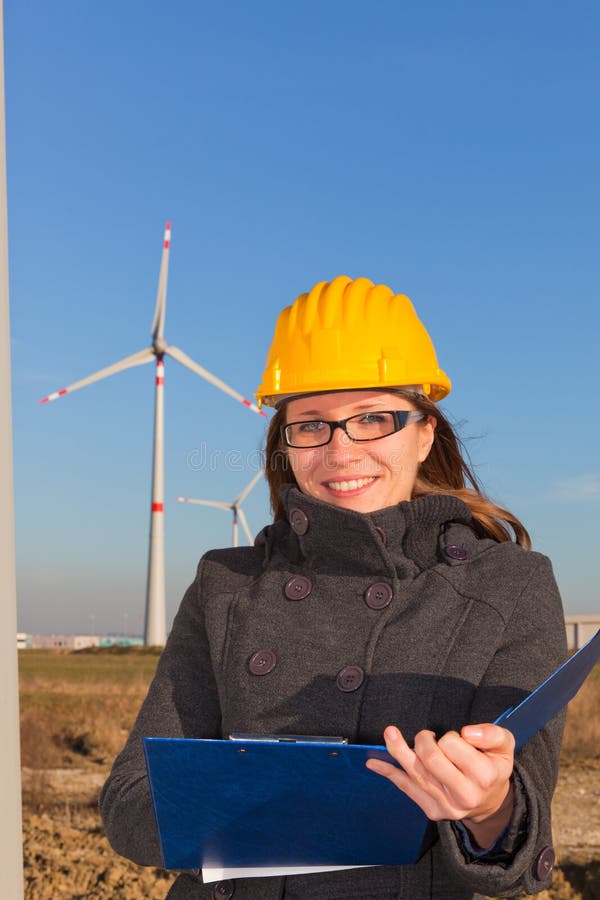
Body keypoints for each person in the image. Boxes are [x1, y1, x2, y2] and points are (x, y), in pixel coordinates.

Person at [100, 274, 567, 899]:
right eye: (312, 425)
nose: (341, 450)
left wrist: (486, 808)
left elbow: (519, 848)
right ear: (286, 443)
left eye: (373, 418)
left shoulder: (509, 586)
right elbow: (132, 801)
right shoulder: (226, 585)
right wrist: (320, 802)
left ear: (425, 432)